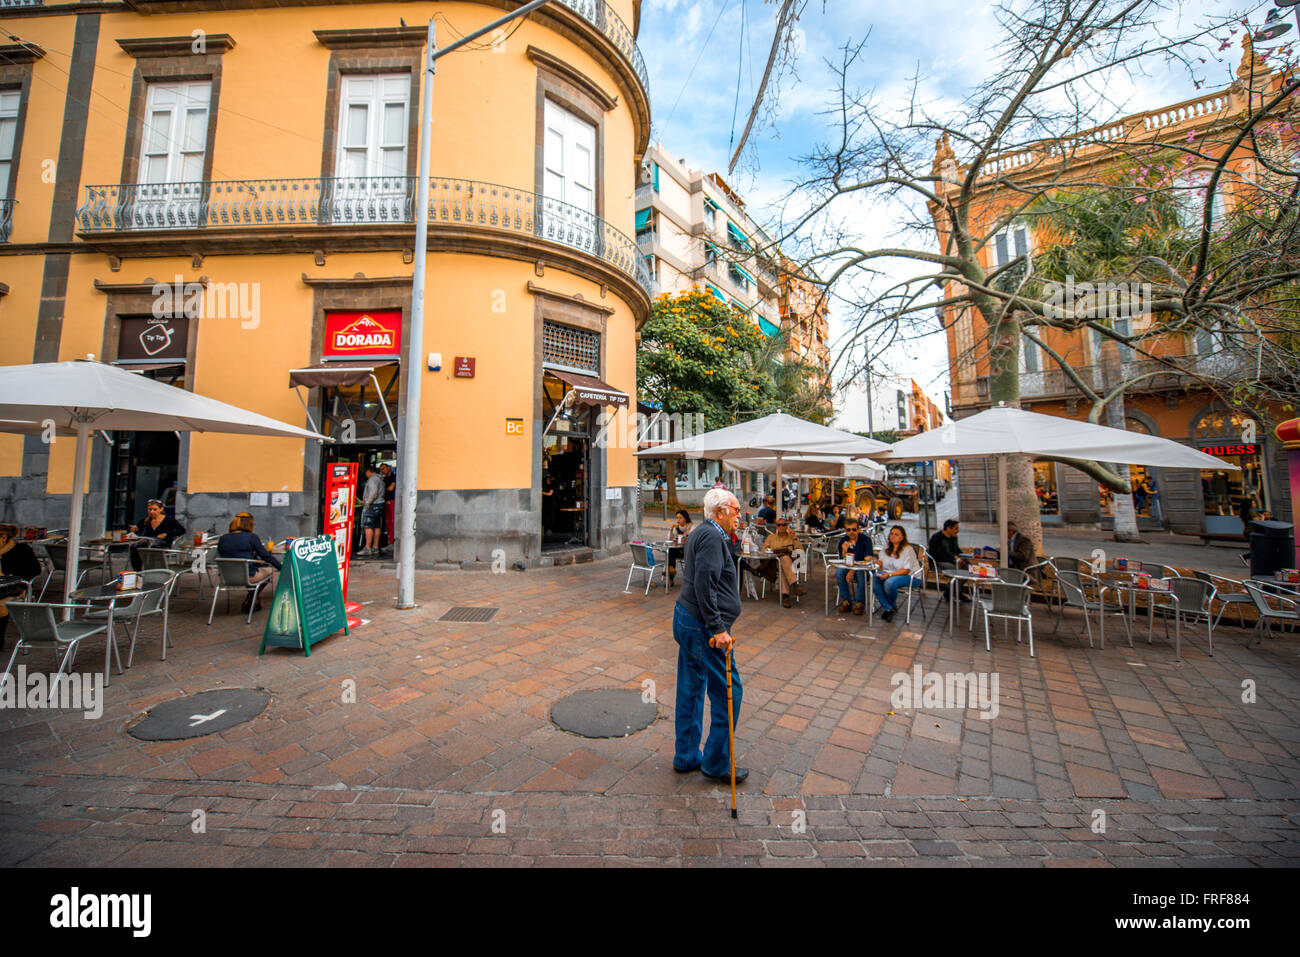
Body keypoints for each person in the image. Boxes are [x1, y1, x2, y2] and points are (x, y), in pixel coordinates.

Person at [673, 487, 746, 783]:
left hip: (688, 619)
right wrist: (718, 628)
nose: (740, 516)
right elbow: (705, 583)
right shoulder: (713, 537)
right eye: (736, 510)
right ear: (720, 512)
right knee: (730, 692)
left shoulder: (705, 533)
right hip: (703, 626)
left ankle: (687, 755)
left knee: (691, 686)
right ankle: (716, 763)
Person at [217, 513, 281, 613]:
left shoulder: (223, 538)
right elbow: (265, 556)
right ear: (249, 525)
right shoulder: (251, 537)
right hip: (248, 576)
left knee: (254, 567)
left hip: (226, 577)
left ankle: (253, 598)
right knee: (269, 570)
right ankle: (251, 598)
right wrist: (281, 567)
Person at [0, 524, 42, 652]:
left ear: (3, 538)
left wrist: (13, 578)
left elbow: (35, 570)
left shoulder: (21, 550)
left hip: (14, 587)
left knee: (0, 604)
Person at [873, 525, 923, 623]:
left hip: (910, 576)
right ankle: (888, 608)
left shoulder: (908, 549)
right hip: (890, 573)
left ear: (902, 537)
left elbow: (906, 570)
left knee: (889, 583)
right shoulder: (886, 547)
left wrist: (889, 575)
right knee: (874, 578)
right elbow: (883, 566)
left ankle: (890, 606)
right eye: (891, 533)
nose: (893, 536)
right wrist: (877, 563)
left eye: (896, 534)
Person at [128, 498, 186, 570]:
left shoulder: (169, 520)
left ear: (161, 509)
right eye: (150, 509)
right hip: (146, 543)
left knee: (151, 550)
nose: (152, 512)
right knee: (134, 548)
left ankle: (153, 571)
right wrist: (134, 529)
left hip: (162, 544)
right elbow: (137, 530)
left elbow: (182, 530)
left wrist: (167, 534)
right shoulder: (146, 521)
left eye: (155, 510)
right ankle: (138, 571)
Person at [764, 517, 805, 608]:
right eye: (779, 525)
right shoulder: (771, 537)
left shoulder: (791, 537)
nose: (781, 527)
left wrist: (794, 537)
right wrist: (768, 549)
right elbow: (765, 548)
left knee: (784, 560)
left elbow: (800, 550)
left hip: (791, 562)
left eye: (783, 525)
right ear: (776, 526)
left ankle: (785, 596)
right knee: (783, 560)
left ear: (787, 526)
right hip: (774, 563)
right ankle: (795, 585)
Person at [835, 517, 874, 615]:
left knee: (861, 573)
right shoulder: (843, 541)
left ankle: (860, 603)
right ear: (846, 531)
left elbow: (867, 558)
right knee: (839, 572)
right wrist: (844, 550)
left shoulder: (866, 540)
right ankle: (846, 601)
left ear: (858, 529)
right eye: (848, 530)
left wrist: (853, 570)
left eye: (854, 529)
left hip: (864, 569)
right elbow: (843, 559)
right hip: (849, 567)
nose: (851, 532)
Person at [927, 519, 969, 602]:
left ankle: (950, 590)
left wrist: (964, 559)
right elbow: (939, 556)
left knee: (968, 569)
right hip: (938, 562)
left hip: (951, 561)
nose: (958, 531)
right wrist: (955, 561)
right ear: (948, 528)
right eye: (956, 528)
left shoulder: (953, 537)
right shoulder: (937, 538)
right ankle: (955, 592)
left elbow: (957, 551)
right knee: (959, 571)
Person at [358, 465, 385, 556]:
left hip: (373, 505)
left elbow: (373, 492)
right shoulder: (380, 479)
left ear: (368, 471)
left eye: (366, 473)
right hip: (380, 504)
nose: (366, 475)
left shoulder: (373, 479)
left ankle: (367, 547)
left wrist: (368, 502)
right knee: (377, 526)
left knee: (367, 525)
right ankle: (375, 547)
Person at [667, 509, 693, 585]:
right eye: (677, 518)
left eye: (680, 518)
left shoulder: (691, 527)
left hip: (688, 551)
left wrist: (685, 540)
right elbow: (669, 539)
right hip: (678, 549)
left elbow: (692, 540)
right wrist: (671, 530)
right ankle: (671, 574)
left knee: (672, 552)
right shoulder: (676, 528)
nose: (678, 520)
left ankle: (670, 572)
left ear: (685, 518)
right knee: (670, 551)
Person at [381, 463, 396, 551]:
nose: (382, 470)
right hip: (386, 500)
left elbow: (391, 488)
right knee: (388, 522)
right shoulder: (385, 478)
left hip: (392, 500)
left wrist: (383, 490)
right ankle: (390, 541)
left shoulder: (393, 476)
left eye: (383, 468)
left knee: (392, 521)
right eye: (381, 469)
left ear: (388, 468)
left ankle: (393, 542)